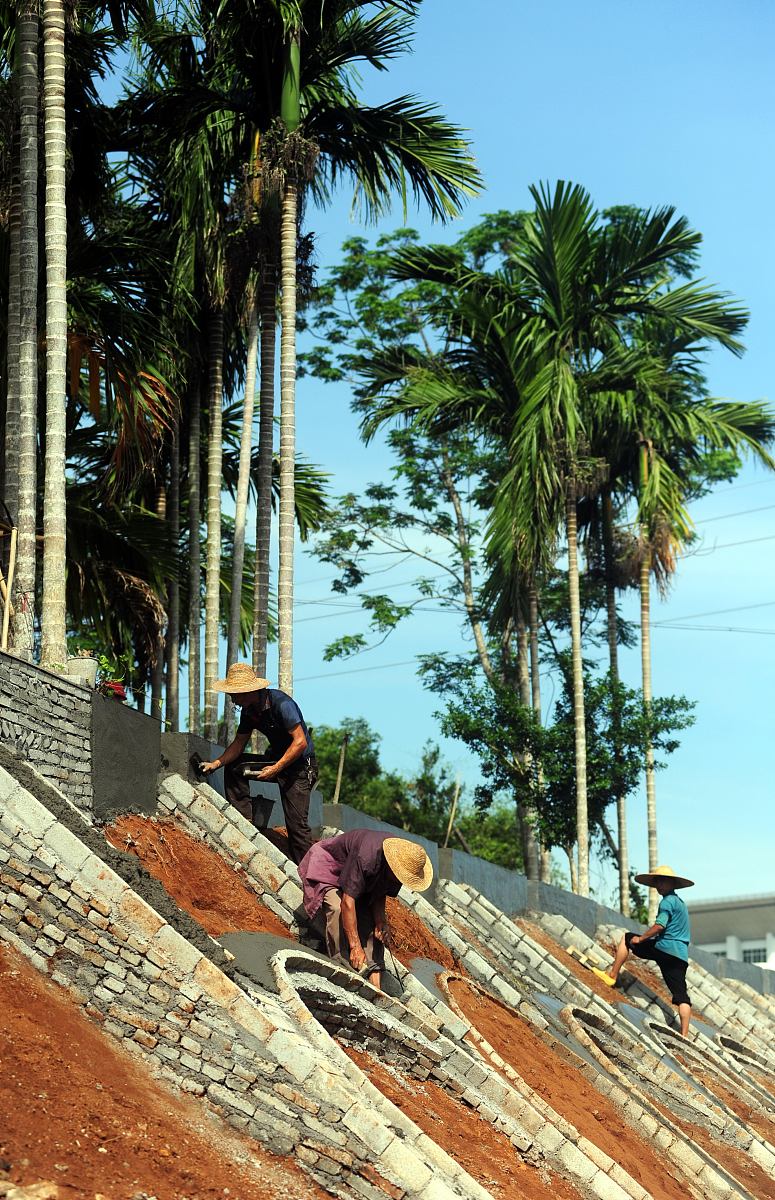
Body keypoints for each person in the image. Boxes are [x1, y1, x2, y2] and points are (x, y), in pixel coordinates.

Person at [200, 663, 317, 865]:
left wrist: (276, 769)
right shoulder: (249, 712)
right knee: (237, 765)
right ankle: (244, 822)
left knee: (297, 828)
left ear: (248, 692)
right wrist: (215, 764)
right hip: (276, 761)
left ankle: (313, 875)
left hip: (299, 768)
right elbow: (238, 745)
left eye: (234, 694)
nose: (232, 698)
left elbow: (300, 742)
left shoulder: (282, 704)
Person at [298, 829, 433, 988]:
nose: (399, 880)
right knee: (336, 908)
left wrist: (380, 922)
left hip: (356, 883)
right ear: (392, 864)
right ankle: (340, 962)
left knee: (375, 927)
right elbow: (347, 902)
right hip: (330, 869)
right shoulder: (367, 857)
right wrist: (355, 946)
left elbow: (379, 894)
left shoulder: (400, 864)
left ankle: (375, 982)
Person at [594, 864, 695, 1036]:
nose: (659, 885)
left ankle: (612, 975)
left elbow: (659, 926)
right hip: (680, 956)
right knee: (681, 996)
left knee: (627, 938)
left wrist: (640, 939)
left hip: (664, 949)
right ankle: (685, 1035)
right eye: (657, 881)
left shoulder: (667, 902)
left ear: (671, 884)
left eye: (662, 881)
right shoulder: (680, 903)